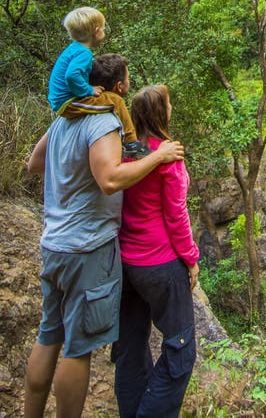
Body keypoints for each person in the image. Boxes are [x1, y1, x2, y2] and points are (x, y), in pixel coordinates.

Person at [24, 54, 185, 418]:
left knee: (49, 335)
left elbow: (34, 164)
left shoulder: (65, 117)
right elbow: (110, 180)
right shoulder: (104, 121)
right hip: (87, 249)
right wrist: (157, 158)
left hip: (54, 244)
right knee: (77, 349)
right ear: (120, 87)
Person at [113, 84, 200, 418]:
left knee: (130, 349)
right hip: (160, 264)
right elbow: (176, 215)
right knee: (181, 350)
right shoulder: (168, 157)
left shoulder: (125, 154)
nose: (172, 107)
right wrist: (191, 259)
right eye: (169, 103)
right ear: (162, 112)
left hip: (125, 263)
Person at [47, 6, 139, 150]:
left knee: (108, 98)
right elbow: (71, 76)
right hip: (69, 102)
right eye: (103, 28)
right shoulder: (84, 53)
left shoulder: (74, 49)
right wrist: (88, 90)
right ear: (96, 32)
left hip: (63, 100)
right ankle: (131, 142)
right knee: (116, 101)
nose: (104, 30)